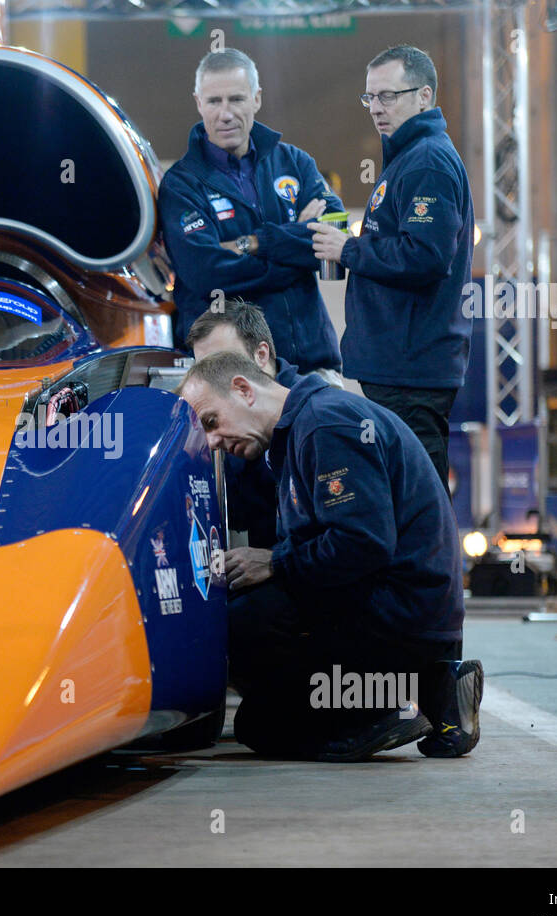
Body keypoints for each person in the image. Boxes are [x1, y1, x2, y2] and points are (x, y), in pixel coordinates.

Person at [178, 350, 482, 760]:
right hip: (399, 615)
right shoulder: (299, 431)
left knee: (257, 700)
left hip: (398, 620)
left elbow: (363, 543)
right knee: (245, 622)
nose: (213, 442)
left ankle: (384, 706)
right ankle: (431, 689)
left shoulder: (327, 425)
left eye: (212, 422)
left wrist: (274, 562)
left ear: (243, 389)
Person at [309, 44, 474, 492]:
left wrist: (350, 250)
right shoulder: (409, 158)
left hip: (412, 368)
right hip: (402, 365)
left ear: (424, 96)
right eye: (370, 98)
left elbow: (426, 256)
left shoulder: (427, 162)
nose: (376, 109)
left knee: (417, 498)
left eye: (388, 96)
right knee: (405, 494)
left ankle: (428, 566)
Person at [159, 48, 345, 384]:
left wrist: (260, 242)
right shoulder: (180, 184)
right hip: (229, 377)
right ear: (198, 103)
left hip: (312, 366)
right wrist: (297, 242)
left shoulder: (295, 163)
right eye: (214, 101)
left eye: (236, 99)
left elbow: (335, 245)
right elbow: (207, 274)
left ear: (257, 99)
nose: (225, 114)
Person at [186, 298, 299, 550]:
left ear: (261, 355)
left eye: (222, 362)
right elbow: (237, 514)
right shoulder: (221, 421)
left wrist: (275, 564)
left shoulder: (316, 419)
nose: (212, 378)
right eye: (204, 367)